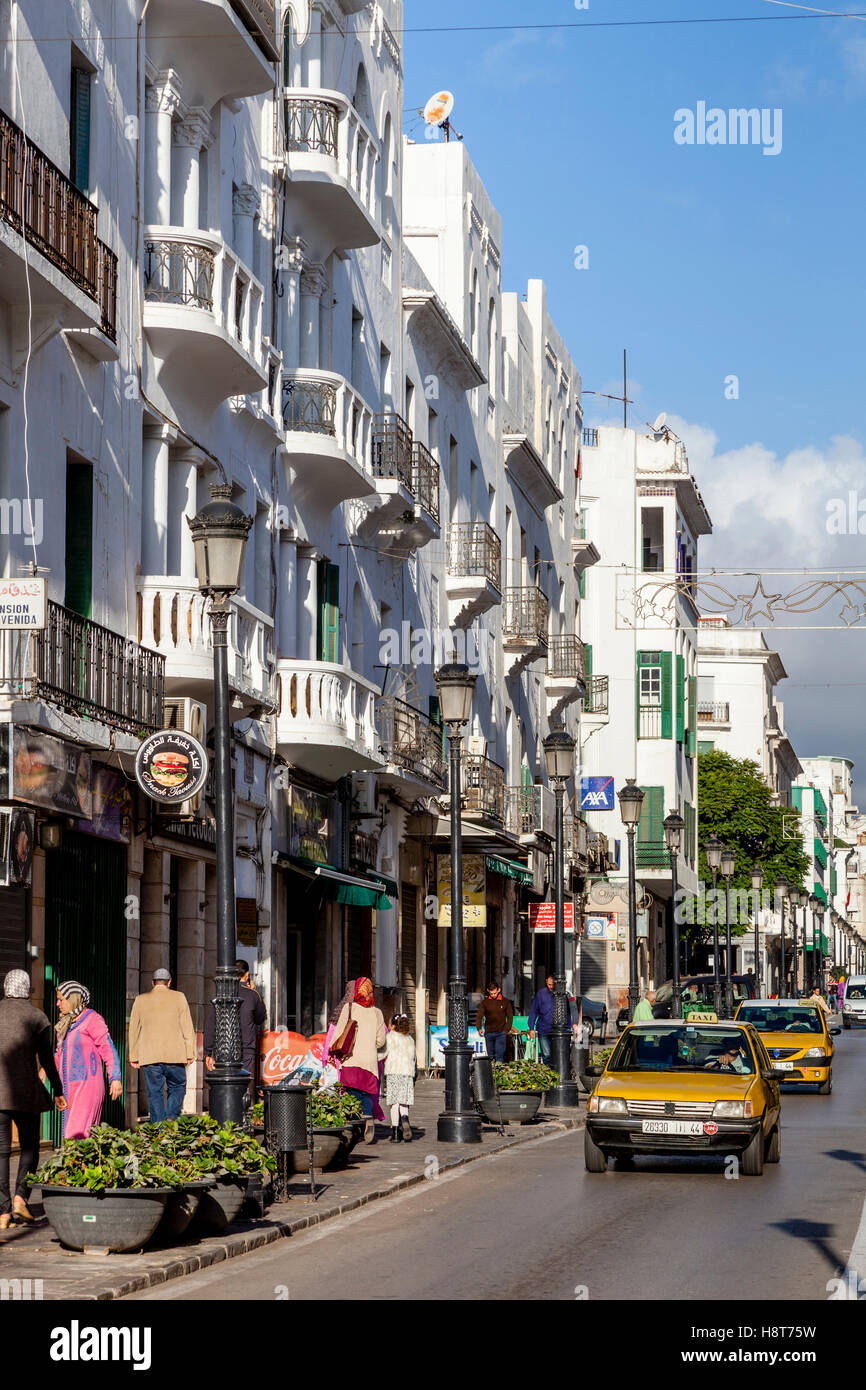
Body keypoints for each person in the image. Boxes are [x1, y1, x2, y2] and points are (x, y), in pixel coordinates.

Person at [0, 970, 66, 1229]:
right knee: (29, 1148)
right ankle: (20, 1198)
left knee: (2, 1152)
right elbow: (47, 1060)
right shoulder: (37, 1017)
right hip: (26, 1092)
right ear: (27, 989)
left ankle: (3, 1212)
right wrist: (58, 1091)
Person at [53, 980, 122, 1139]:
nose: (58, 1003)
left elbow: (108, 1048)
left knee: (77, 1137)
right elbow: (59, 1054)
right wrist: (43, 1072)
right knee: (76, 1139)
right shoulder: (65, 1024)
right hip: (70, 1090)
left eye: (61, 999)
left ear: (73, 999)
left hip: (88, 1088)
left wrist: (115, 1077)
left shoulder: (92, 1019)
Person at [128, 968, 196, 1123]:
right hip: (175, 1055)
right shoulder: (179, 997)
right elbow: (187, 1025)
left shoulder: (140, 999)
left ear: (153, 983)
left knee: (154, 1093)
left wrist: (134, 1055)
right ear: (169, 983)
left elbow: (134, 1029)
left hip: (150, 1056)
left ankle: (158, 1128)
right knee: (178, 1087)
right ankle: (171, 1116)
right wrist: (190, 1052)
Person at [324, 977, 387, 1142]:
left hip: (351, 1059)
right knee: (366, 1094)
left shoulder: (349, 1007)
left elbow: (339, 1033)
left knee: (351, 1094)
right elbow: (381, 1041)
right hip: (370, 1062)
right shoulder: (377, 1013)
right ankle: (368, 1119)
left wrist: (331, 1050)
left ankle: (355, 1129)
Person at [203, 959, 266, 1099]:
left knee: (225, 1085)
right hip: (247, 1046)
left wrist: (208, 1051)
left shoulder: (223, 994)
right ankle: (243, 1114)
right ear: (247, 974)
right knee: (245, 1084)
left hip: (224, 1047)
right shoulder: (253, 994)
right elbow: (260, 1018)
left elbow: (211, 1022)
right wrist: (254, 991)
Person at [528, 974, 578, 1062]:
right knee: (547, 1055)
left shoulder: (567, 993)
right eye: (549, 985)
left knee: (561, 1056)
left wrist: (575, 1023)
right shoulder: (540, 994)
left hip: (562, 1031)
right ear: (546, 982)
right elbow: (533, 1011)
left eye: (553, 985)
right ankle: (549, 1074)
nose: (551, 987)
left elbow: (573, 1008)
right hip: (544, 1030)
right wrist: (531, 1028)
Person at [384, 1012, 416, 1142]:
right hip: (407, 1073)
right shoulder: (410, 1039)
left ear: (393, 1025)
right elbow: (413, 1057)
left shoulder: (390, 1037)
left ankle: (395, 1133)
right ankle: (405, 1118)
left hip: (393, 1071)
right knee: (403, 1101)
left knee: (394, 1102)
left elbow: (383, 1053)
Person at [474, 982, 514, 1062]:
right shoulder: (485, 1002)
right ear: (488, 991)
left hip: (501, 1033)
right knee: (490, 1056)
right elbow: (479, 1016)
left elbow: (510, 1017)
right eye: (491, 993)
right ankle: (491, 1073)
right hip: (489, 1032)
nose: (493, 995)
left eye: (495, 993)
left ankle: (499, 1073)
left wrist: (506, 1030)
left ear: (499, 990)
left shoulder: (505, 1001)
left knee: (499, 1056)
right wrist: (479, 1028)